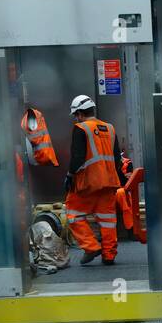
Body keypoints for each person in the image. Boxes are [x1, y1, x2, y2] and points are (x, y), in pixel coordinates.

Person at [64, 95, 124, 266]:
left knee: (73, 213)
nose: (76, 119)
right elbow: (116, 158)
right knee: (108, 220)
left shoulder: (81, 128)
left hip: (88, 183)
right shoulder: (110, 128)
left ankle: (91, 247)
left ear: (80, 114)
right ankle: (109, 255)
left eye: (76, 115)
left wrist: (69, 175)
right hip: (109, 183)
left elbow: (77, 157)